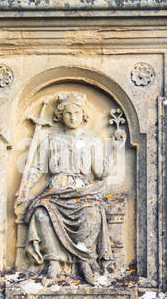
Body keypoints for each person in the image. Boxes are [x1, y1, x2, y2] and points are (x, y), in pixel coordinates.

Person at [15, 92, 123, 283]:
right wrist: (25, 187)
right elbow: (37, 168)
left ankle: (85, 262)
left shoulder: (93, 141)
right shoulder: (50, 140)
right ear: (60, 116)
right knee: (41, 214)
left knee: (91, 212)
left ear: (83, 115)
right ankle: (53, 263)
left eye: (76, 113)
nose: (72, 117)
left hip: (83, 191)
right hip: (55, 191)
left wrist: (115, 148)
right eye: (68, 113)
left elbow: (101, 172)